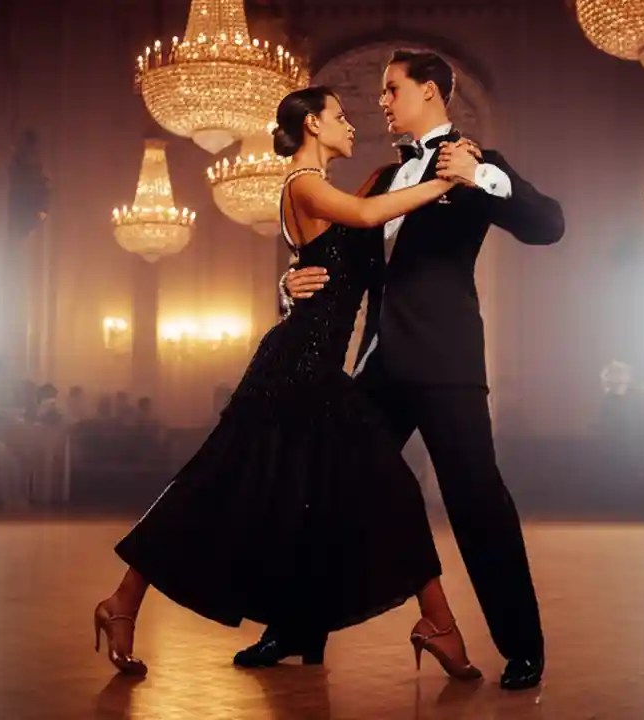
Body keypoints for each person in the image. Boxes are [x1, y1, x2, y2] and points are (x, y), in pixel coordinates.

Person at [93, 85, 482, 680]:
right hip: (293, 369)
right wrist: (452, 181)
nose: (350, 125)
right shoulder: (303, 184)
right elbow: (370, 216)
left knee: (348, 492)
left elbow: (344, 240)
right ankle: (121, 603)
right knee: (215, 486)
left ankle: (434, 623)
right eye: (340, 117)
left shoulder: (330, 189)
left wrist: (290, 281)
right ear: (311, 125)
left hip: (316, 370)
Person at [245, 50, 564, 691]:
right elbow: (338, 258)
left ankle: (522, 647)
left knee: (478, 503)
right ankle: (298, 627)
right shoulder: (386, 178)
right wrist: (291, 284)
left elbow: (548, 225)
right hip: (380, 364)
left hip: (447, 366)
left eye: (392, 90)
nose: (383, 101)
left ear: (431, 92)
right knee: (328, 489)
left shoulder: (480, 163)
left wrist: (481, 177)